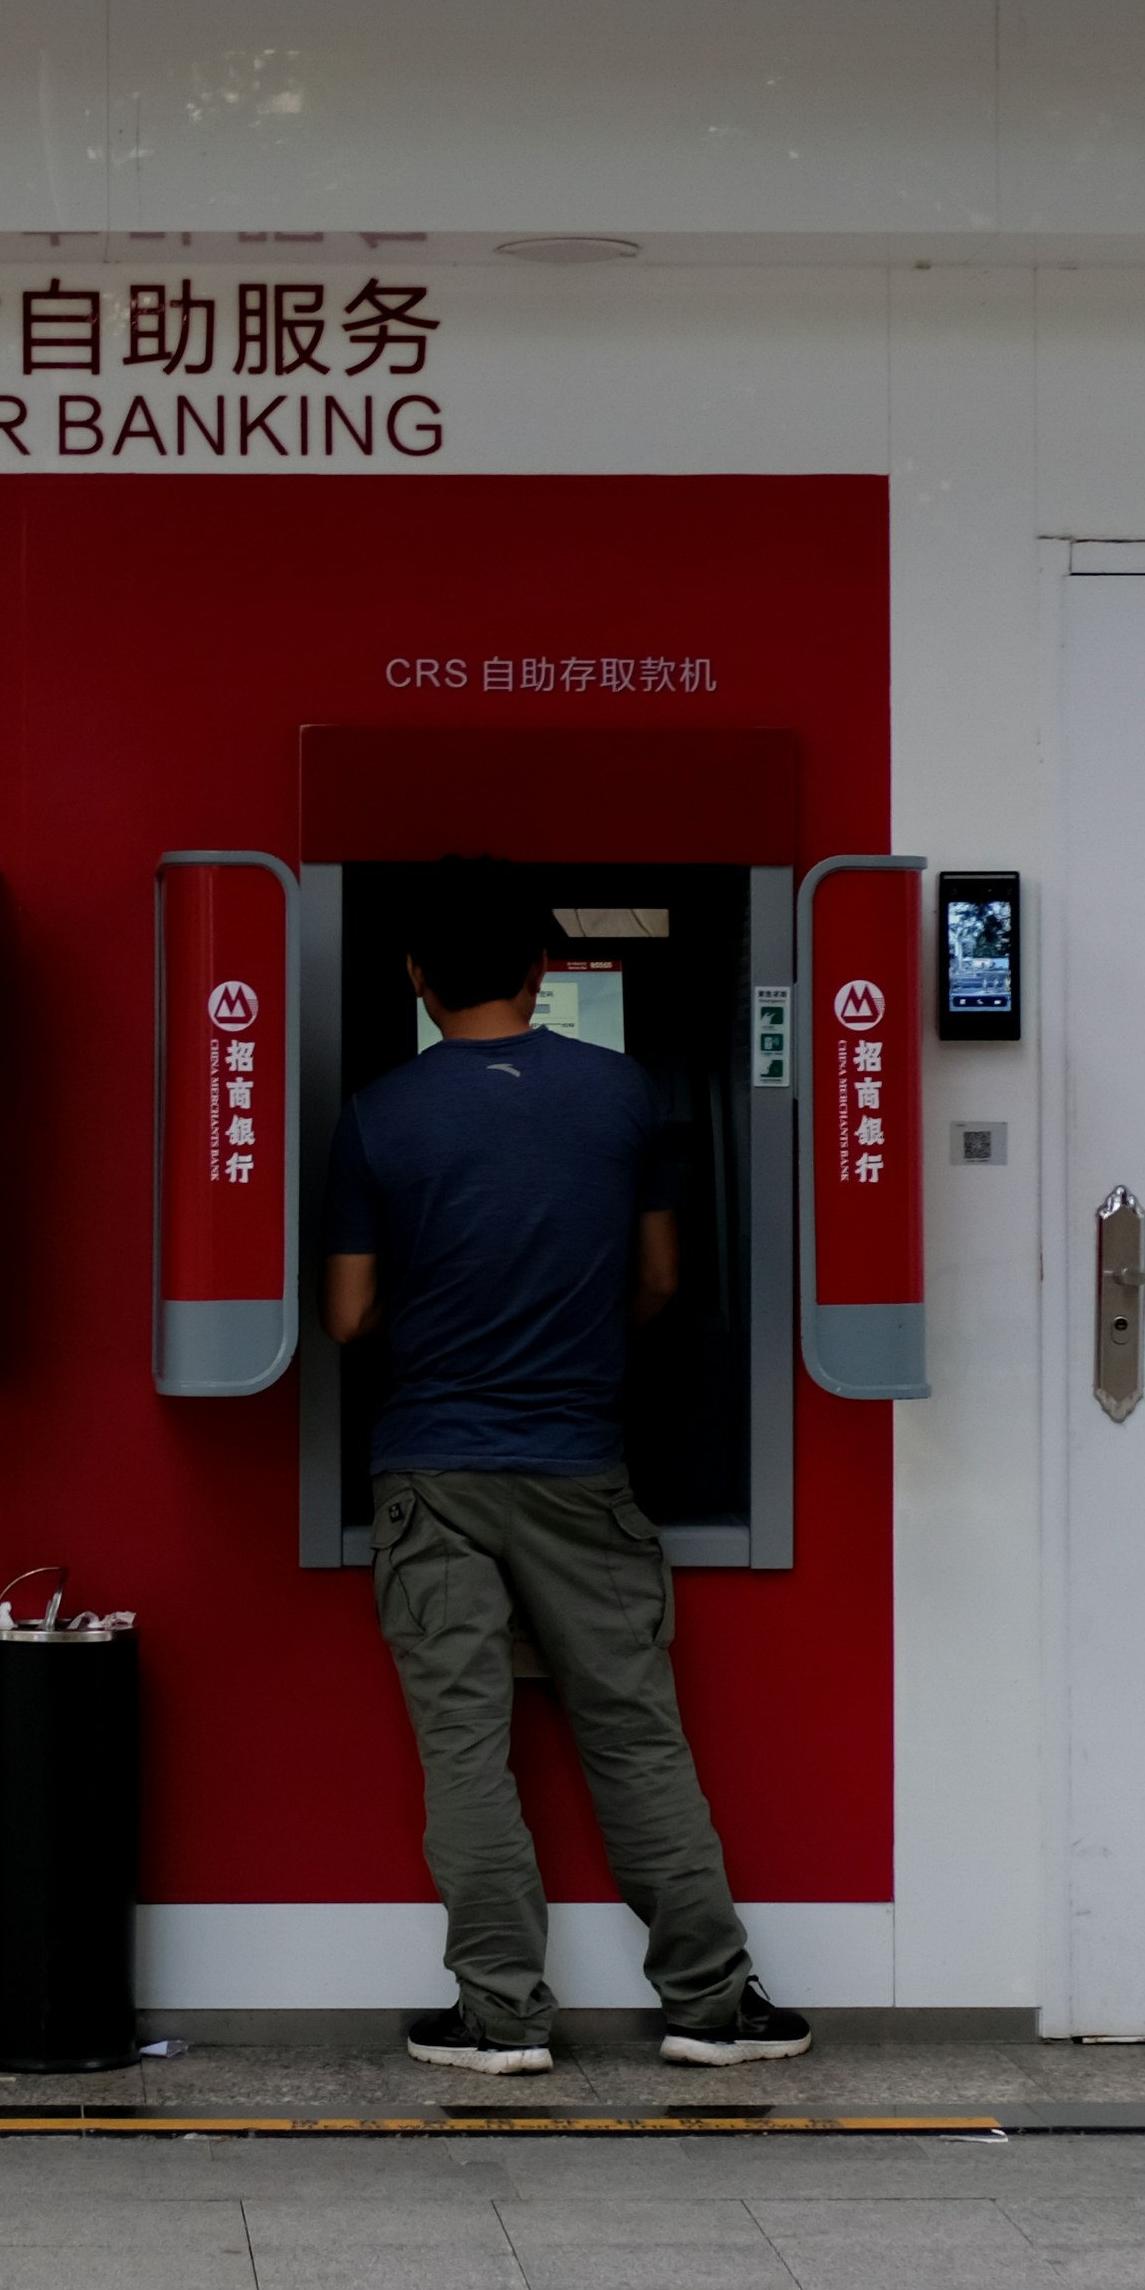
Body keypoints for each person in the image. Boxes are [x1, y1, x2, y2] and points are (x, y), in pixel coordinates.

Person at [323, 855, 810, 2077]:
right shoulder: (624, 1093)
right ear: (543, 975)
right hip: (583, 1463)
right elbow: (657, 1281)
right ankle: (710, 2004)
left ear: (416, 976)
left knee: (463, 1749)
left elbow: (344, 1316)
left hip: (431, 1469)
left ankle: (499, 2019)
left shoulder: (377, 1114)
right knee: (635, 1734)